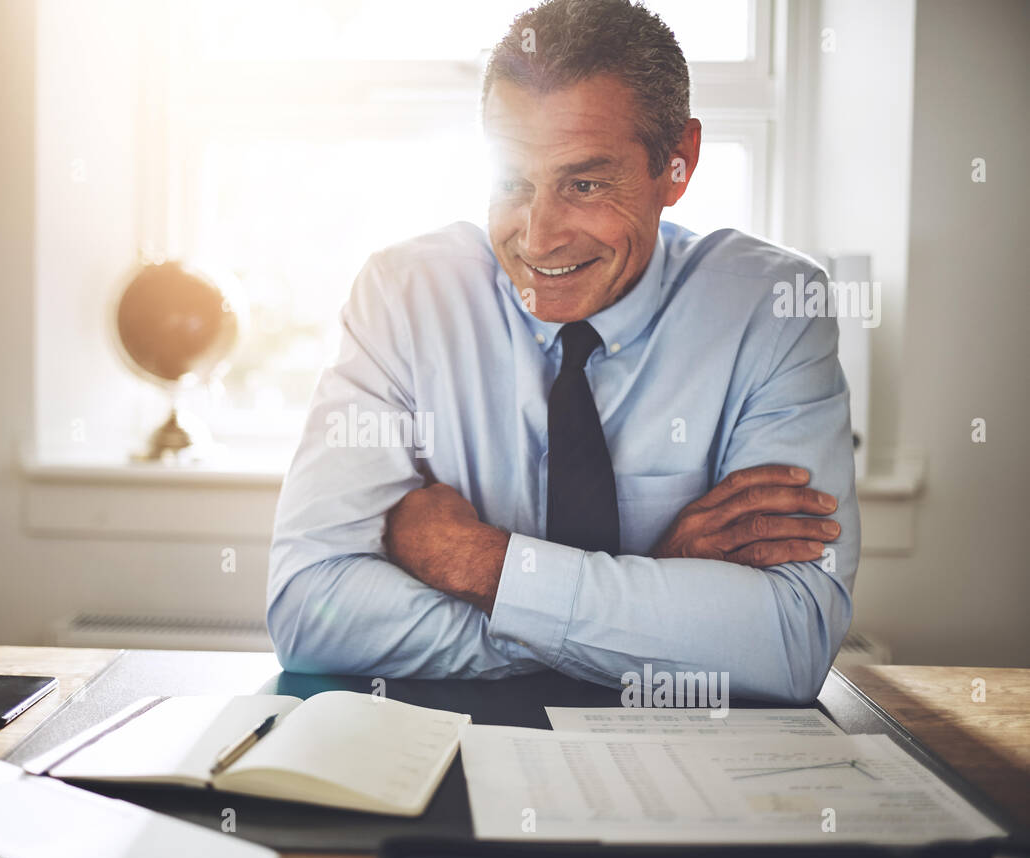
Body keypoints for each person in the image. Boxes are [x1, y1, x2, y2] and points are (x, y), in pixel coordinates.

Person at [266, 0, 859, 703]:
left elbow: (789, 641)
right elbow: (310, 611)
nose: (539, 237)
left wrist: (477, 563)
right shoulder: (404, 298)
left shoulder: (774, 308)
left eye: (584, 184)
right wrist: (632, 604)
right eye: (512, 182)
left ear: (679, 163)